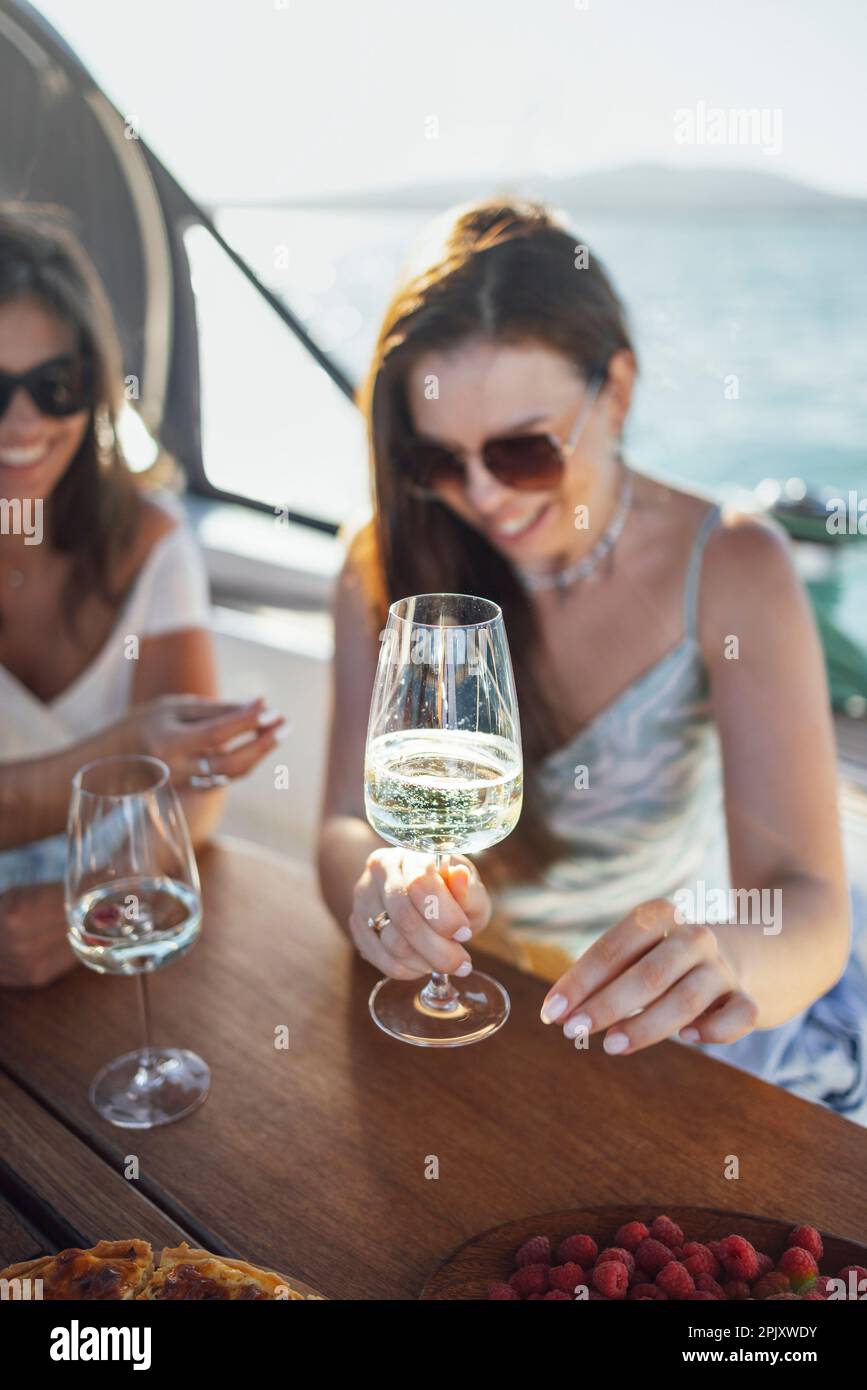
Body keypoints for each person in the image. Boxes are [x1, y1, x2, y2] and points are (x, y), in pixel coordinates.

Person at [318, 198, 867, 1124]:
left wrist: (720, 959)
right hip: (468, 1038)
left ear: (615, 391)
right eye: (438, 460)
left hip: (665, 1042)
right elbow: (342, 825)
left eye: (522, 450)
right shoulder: (382, 560)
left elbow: (806, 904)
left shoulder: (732, 566)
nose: (484, 496)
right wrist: (379, 893)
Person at [0, 206, 284, 987]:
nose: (22, 421)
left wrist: (96, 908)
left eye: (54, 385)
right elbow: (154, 760)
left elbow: (193, 795)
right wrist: (125, 753)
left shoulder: (153, 543)